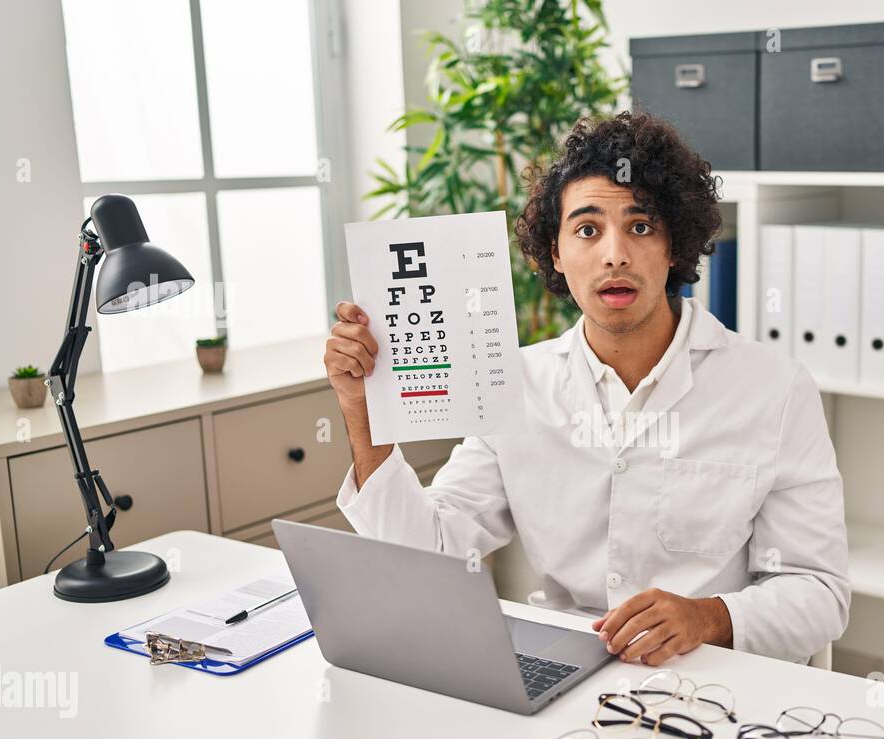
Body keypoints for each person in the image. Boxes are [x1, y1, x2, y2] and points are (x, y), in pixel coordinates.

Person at [325, 110, 849, 666]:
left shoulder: (774, 389)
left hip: (711, 682)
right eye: (587, 229)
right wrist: (363, 410)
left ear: (674, 246)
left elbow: (820, 593)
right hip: (565, 677)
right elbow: (427, 552)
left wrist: (708, 617)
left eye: (641, 227)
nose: (614, 254)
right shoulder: (519, 385)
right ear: (555, 252)